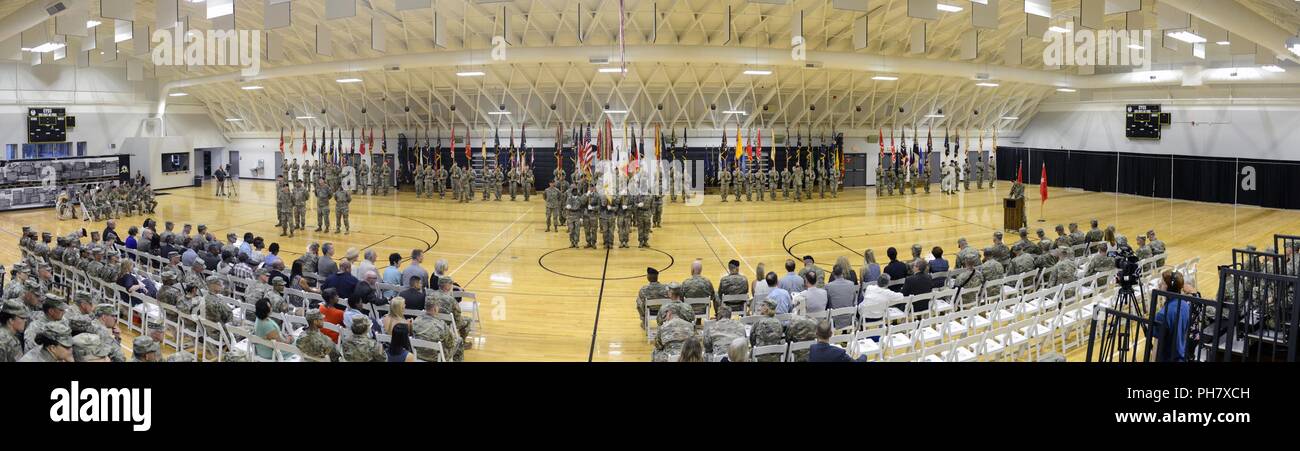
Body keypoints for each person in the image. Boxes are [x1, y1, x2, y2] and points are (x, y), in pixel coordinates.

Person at [1153, 270, 1199, 362]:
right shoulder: (1185, 305)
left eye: (1162, 283)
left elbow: (1157, 344)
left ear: (1168, 287)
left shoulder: (1162, 314)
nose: (1159, 285)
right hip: (1182, 356)